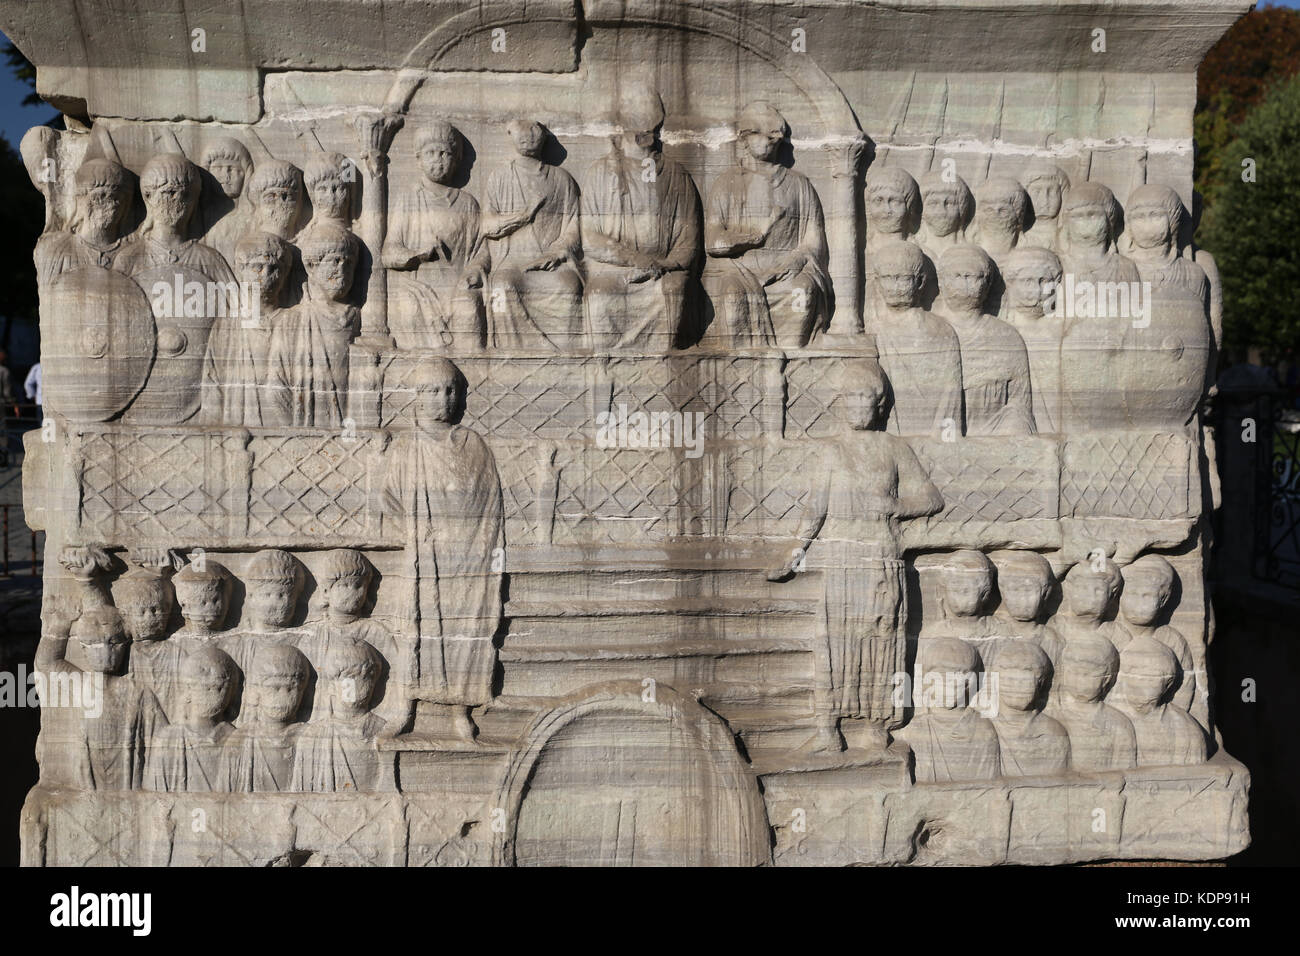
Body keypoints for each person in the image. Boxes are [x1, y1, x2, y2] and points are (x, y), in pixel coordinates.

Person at [768, 358, 943, 753]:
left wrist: (897, 505)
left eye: (866, 399)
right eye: (851, 398)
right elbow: (815, 509)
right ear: (842, 403)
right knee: (836, 640)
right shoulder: (832, 452)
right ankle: (829, 725)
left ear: (880, 404)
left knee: (881, 640)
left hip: (882, 556)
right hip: (845, 560)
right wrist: (794, 555)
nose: (857, 406)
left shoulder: (894, 448)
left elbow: (932, 498)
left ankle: (875, 723)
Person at [382, 358, 504, 746]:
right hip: (422, 551)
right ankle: (405, 708)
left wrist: (476, 548)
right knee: (414, 627)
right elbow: (389, 498)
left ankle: (459, 711)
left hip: (467, 555)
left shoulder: (474, 445)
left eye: (451, 390)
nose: (443, 399)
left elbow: (489, 502)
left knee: (464, 629)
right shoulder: (404, 447)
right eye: (433, 390)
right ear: (416, 398)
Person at [582, 83, 702, 351]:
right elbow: (590, 238)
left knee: (674, 291)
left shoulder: (677, 175)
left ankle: (662, 371)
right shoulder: (600, 173)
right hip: (615, 271)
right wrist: (635, 260)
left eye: (653, 129)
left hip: (664, 271)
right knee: (599, 295)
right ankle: (603, 370)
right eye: (640, 130)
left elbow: (689, 240)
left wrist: (663, 265)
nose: (647, 136)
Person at [705, 101, 832, 348]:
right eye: (754, 133)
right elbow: (713, 242)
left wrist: (795, 261)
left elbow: (814, 240)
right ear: (742, 139)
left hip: (787, 269)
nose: (764, 139)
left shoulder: (799, 185)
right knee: (732, 298)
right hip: (741, 271)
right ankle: (740, 369)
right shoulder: (727, 183)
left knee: (803, 291)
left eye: (770, 133)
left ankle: (795, 364)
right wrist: (753, 237)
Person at [384, 121, 488, 350]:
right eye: (430, 153)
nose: (437, 159)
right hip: (419, 287)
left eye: (444, 153)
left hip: (457, 284)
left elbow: (482, 251)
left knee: (469, 307)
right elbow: (388, 252)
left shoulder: (467, 203)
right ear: (419, 159)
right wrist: (416, 254)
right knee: (407, 306)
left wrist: (472, 272)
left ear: (456, 159)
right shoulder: (409, 200)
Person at [481, 118, 584, 350]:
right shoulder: (499, 177)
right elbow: (487, 226)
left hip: (550, 263)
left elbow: (573, 227)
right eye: (522, 135)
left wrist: (556, 253)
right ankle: (513, 355)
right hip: (513, 262)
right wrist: (522, 216)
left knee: (569, 286)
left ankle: (568, 358)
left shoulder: (561, 179)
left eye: (533, 134)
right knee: (501, 287)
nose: (528, 139)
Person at [296, 549, 407, 731]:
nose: (353, 592)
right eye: (344, 585)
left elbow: (395, 681)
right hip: (321, 725)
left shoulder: (377, 633)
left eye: (358, 585)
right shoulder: (311, 636)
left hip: (364, 724)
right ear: (326, 591)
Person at [862, 240, 964, 437]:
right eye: (888, 278)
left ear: (919, 282)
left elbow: (951, 394)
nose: (894, 286)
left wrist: (945, 440)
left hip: (933, 433)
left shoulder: (941, 331)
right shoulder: (872, 329)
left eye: (902, 278)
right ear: (877, 281)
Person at [934, 244, 1035, 435]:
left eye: (973, 276)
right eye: (956, 276)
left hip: (993, 434)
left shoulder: (1007, 338)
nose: (964, 282)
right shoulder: (929, 332)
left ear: (987, 283)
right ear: (941, 282)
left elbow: (1020, 403)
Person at [267, 223, 360, 427]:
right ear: (311, 266)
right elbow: (276, 387)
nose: (342, 269)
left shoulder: (358, 317)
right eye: (334, 261)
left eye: (349, 263)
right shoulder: (291, 321)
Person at [200, 231, 293, 426]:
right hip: (236, 430)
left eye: (274, 268)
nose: (266, 276)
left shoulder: (293, 322)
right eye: (257, 267)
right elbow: (212, 384)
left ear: (284, 274)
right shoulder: (226, 325)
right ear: (241, 270)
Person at [291, 640, 389, 792]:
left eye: (367, 675)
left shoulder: (383, 731)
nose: (359, 683)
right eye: (350, 676)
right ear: (331, 684)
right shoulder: (312, 737)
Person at [899, 637, 1001, 782]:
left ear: (969, 681)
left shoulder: (983, 731)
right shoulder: (917, 728)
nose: (949, 682)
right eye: (941, 674)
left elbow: (991, 786)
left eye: (958, 675)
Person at [142, 645, 238, 792]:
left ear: (231, 690)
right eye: (199, 683)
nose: (210, 690)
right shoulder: (168, 739)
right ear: (187, 687)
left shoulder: (237, 740)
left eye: (218, 685)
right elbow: (153, 798)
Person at [33, 158, 133, 285]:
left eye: (115, 197)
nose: (109, 204)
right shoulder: (57, 251)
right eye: (99, 196)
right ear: (80, 200)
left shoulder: (131, 254)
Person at [225, 644, 310, 792]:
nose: (282, 697)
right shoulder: (240, 741)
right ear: (257, 689)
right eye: (274, 688)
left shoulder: (310, 738)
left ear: (302, 689)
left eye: (290, 688)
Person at [1054, 632, 1137, 772]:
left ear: (1106, 679)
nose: (1079, 681)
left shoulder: (1118, 724)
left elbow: (1126, 774)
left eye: (1088, 674)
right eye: (1073, 672)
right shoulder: (1052, 713)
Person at [1118, 637, 1206, 767]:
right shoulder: (1109, 723)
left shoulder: (1186, 730)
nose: (1142, 685)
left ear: (1167, 684)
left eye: (1151, 678)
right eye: (1135, 675)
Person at [987, 640, 1070, 776]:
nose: (1016, 688)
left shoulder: (1052, 733)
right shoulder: (985, 726)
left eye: (1024, 681)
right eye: (1009, 680)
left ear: (1040, 683)